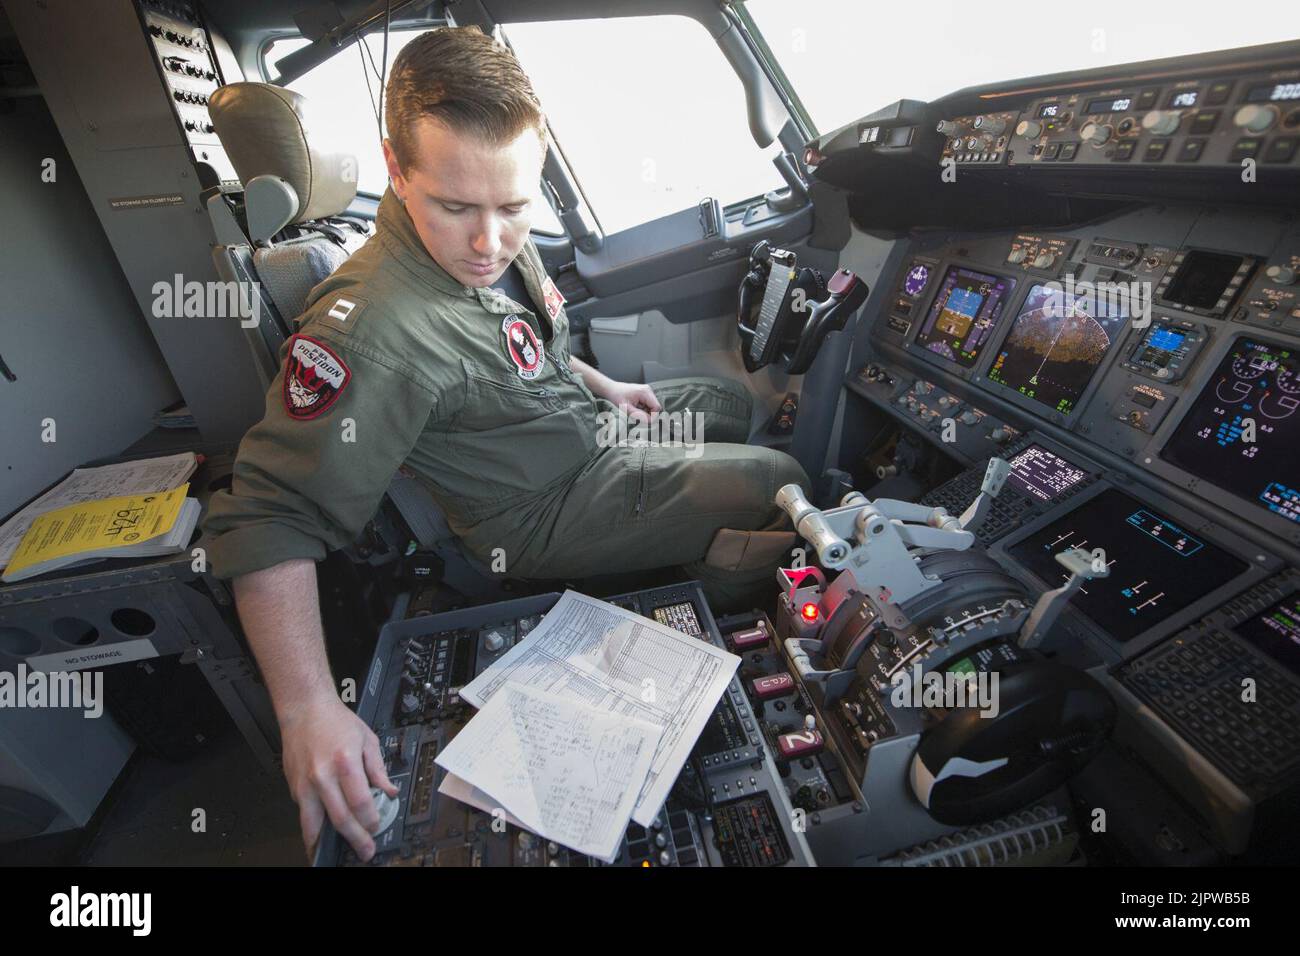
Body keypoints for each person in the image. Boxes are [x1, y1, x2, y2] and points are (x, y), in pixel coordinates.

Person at [201, 25, 809, 862]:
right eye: (456, 208)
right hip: (539, 507)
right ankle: (708, 613)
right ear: (395, 165)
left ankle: (674, 538)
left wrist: (604, 386)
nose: (489, 243)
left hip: (582, 427)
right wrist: (307, 707)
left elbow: (528, 352)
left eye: (513, 208)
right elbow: (268, 515)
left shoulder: (483, 249)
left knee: (725, 405)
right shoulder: (372, 329)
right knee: (779, 481)